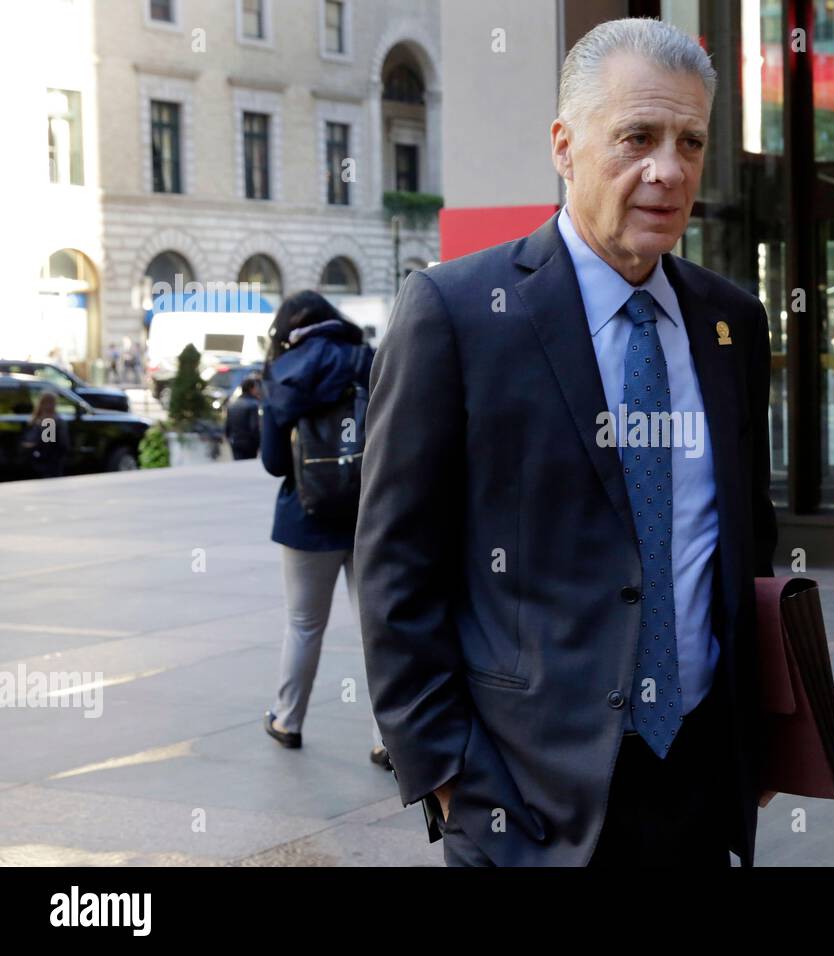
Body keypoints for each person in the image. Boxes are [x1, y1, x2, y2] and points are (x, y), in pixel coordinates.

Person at [356, 17, 779, 868]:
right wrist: (449, 775)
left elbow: (746, 538)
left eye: (690, 141)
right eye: (637, 137)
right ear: (564, 145)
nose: (668, 170)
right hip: (523, 802)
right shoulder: (458, 313)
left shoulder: (732, 322)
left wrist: (757, 731)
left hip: (698, 785)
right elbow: (396, 568)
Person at [257, 291, 388, 768]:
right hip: (368, 515)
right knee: (376, 629)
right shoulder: (367, 360)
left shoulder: (284, 372)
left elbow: (274, 463)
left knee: (303, 625)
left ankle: (287, 721)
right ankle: (386, 740)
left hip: (305, 519)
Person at [20, 391, 71, 479]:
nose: (48, 405)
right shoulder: (38, 418)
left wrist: (33, 445)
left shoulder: (49, 420)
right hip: (42, 461)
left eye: (50, 402)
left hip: (48, 462)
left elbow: (48, 446)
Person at [224, 376, 262, 460]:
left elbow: (227, 426)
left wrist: (229, 439)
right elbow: (254, 427)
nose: (257, 390)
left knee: (238, 466)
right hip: (249, 444)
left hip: (235, 442)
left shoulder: (232, 404)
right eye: (256, 388)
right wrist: (259, 443)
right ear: (251, 389)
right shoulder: (253, 404)